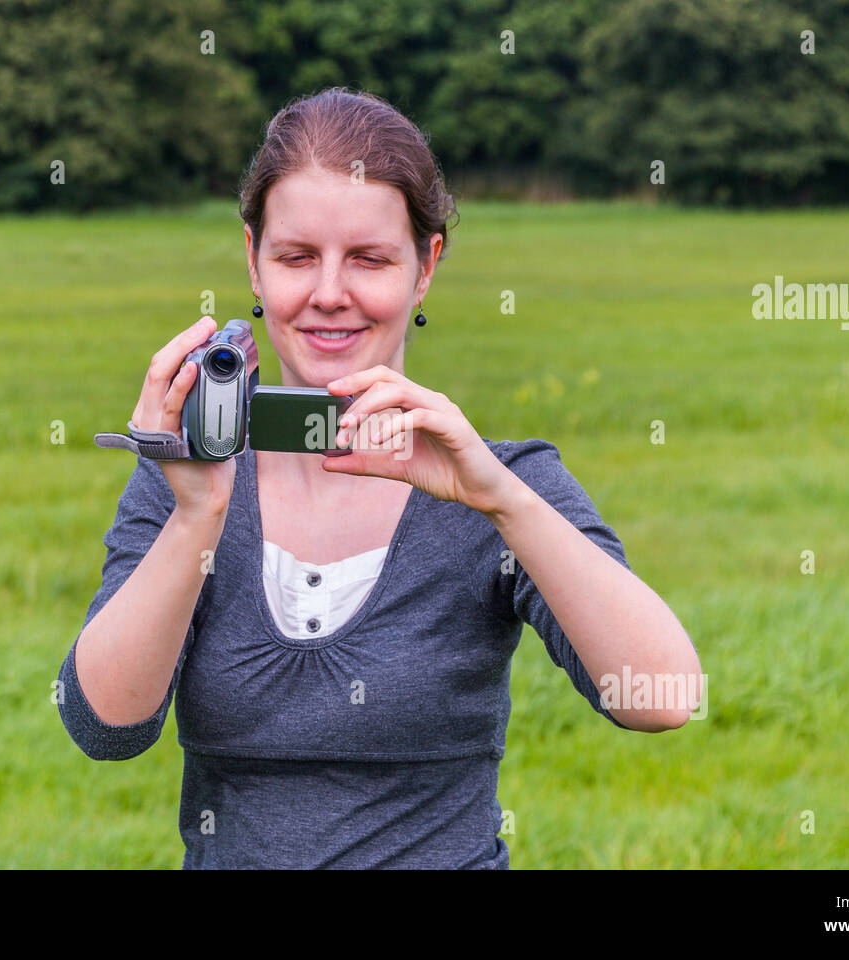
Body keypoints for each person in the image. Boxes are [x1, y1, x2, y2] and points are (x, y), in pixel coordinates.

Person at [57, 86, 702, 869]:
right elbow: (107, 728)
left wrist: (495, 498)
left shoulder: (500, 482)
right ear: (253, 262)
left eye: (369, 258)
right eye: (296, 257)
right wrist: (197, 515)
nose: (330, 293)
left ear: (426, 267)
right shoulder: (188, 478)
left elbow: (664, 699)